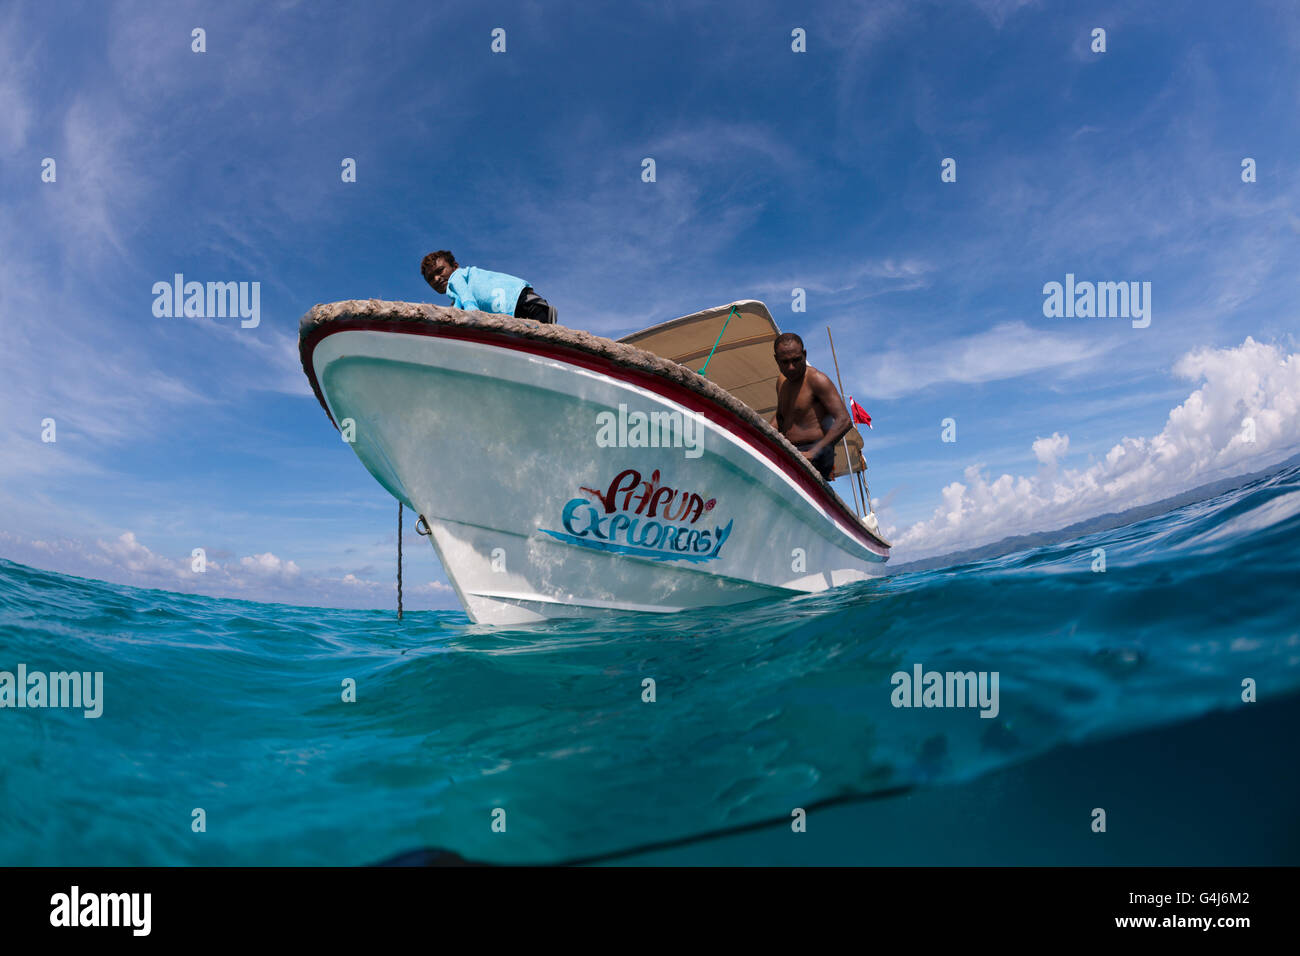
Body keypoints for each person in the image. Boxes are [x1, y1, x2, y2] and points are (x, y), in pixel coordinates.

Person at [768, 332, 852, 482]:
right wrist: (763, 432)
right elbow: (782, 416)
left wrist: (813, 452)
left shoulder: (817, 380)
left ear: (804, 355)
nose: (791, 367)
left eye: (796, 360)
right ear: (776, 360)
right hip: (791, 449)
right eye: (785, 362)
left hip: (816, 453)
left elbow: (844, 420)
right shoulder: (782, 381)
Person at [421, 250, 558, 324]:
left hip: (522, 302)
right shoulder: (456, 297)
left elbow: (466, 298)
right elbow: (457, 309)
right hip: (515, 314)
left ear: (455, 266)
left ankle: (544, 312)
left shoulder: (457, 277)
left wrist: (473, 312)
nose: (436, 279)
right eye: (430, 279)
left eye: (440, 271)